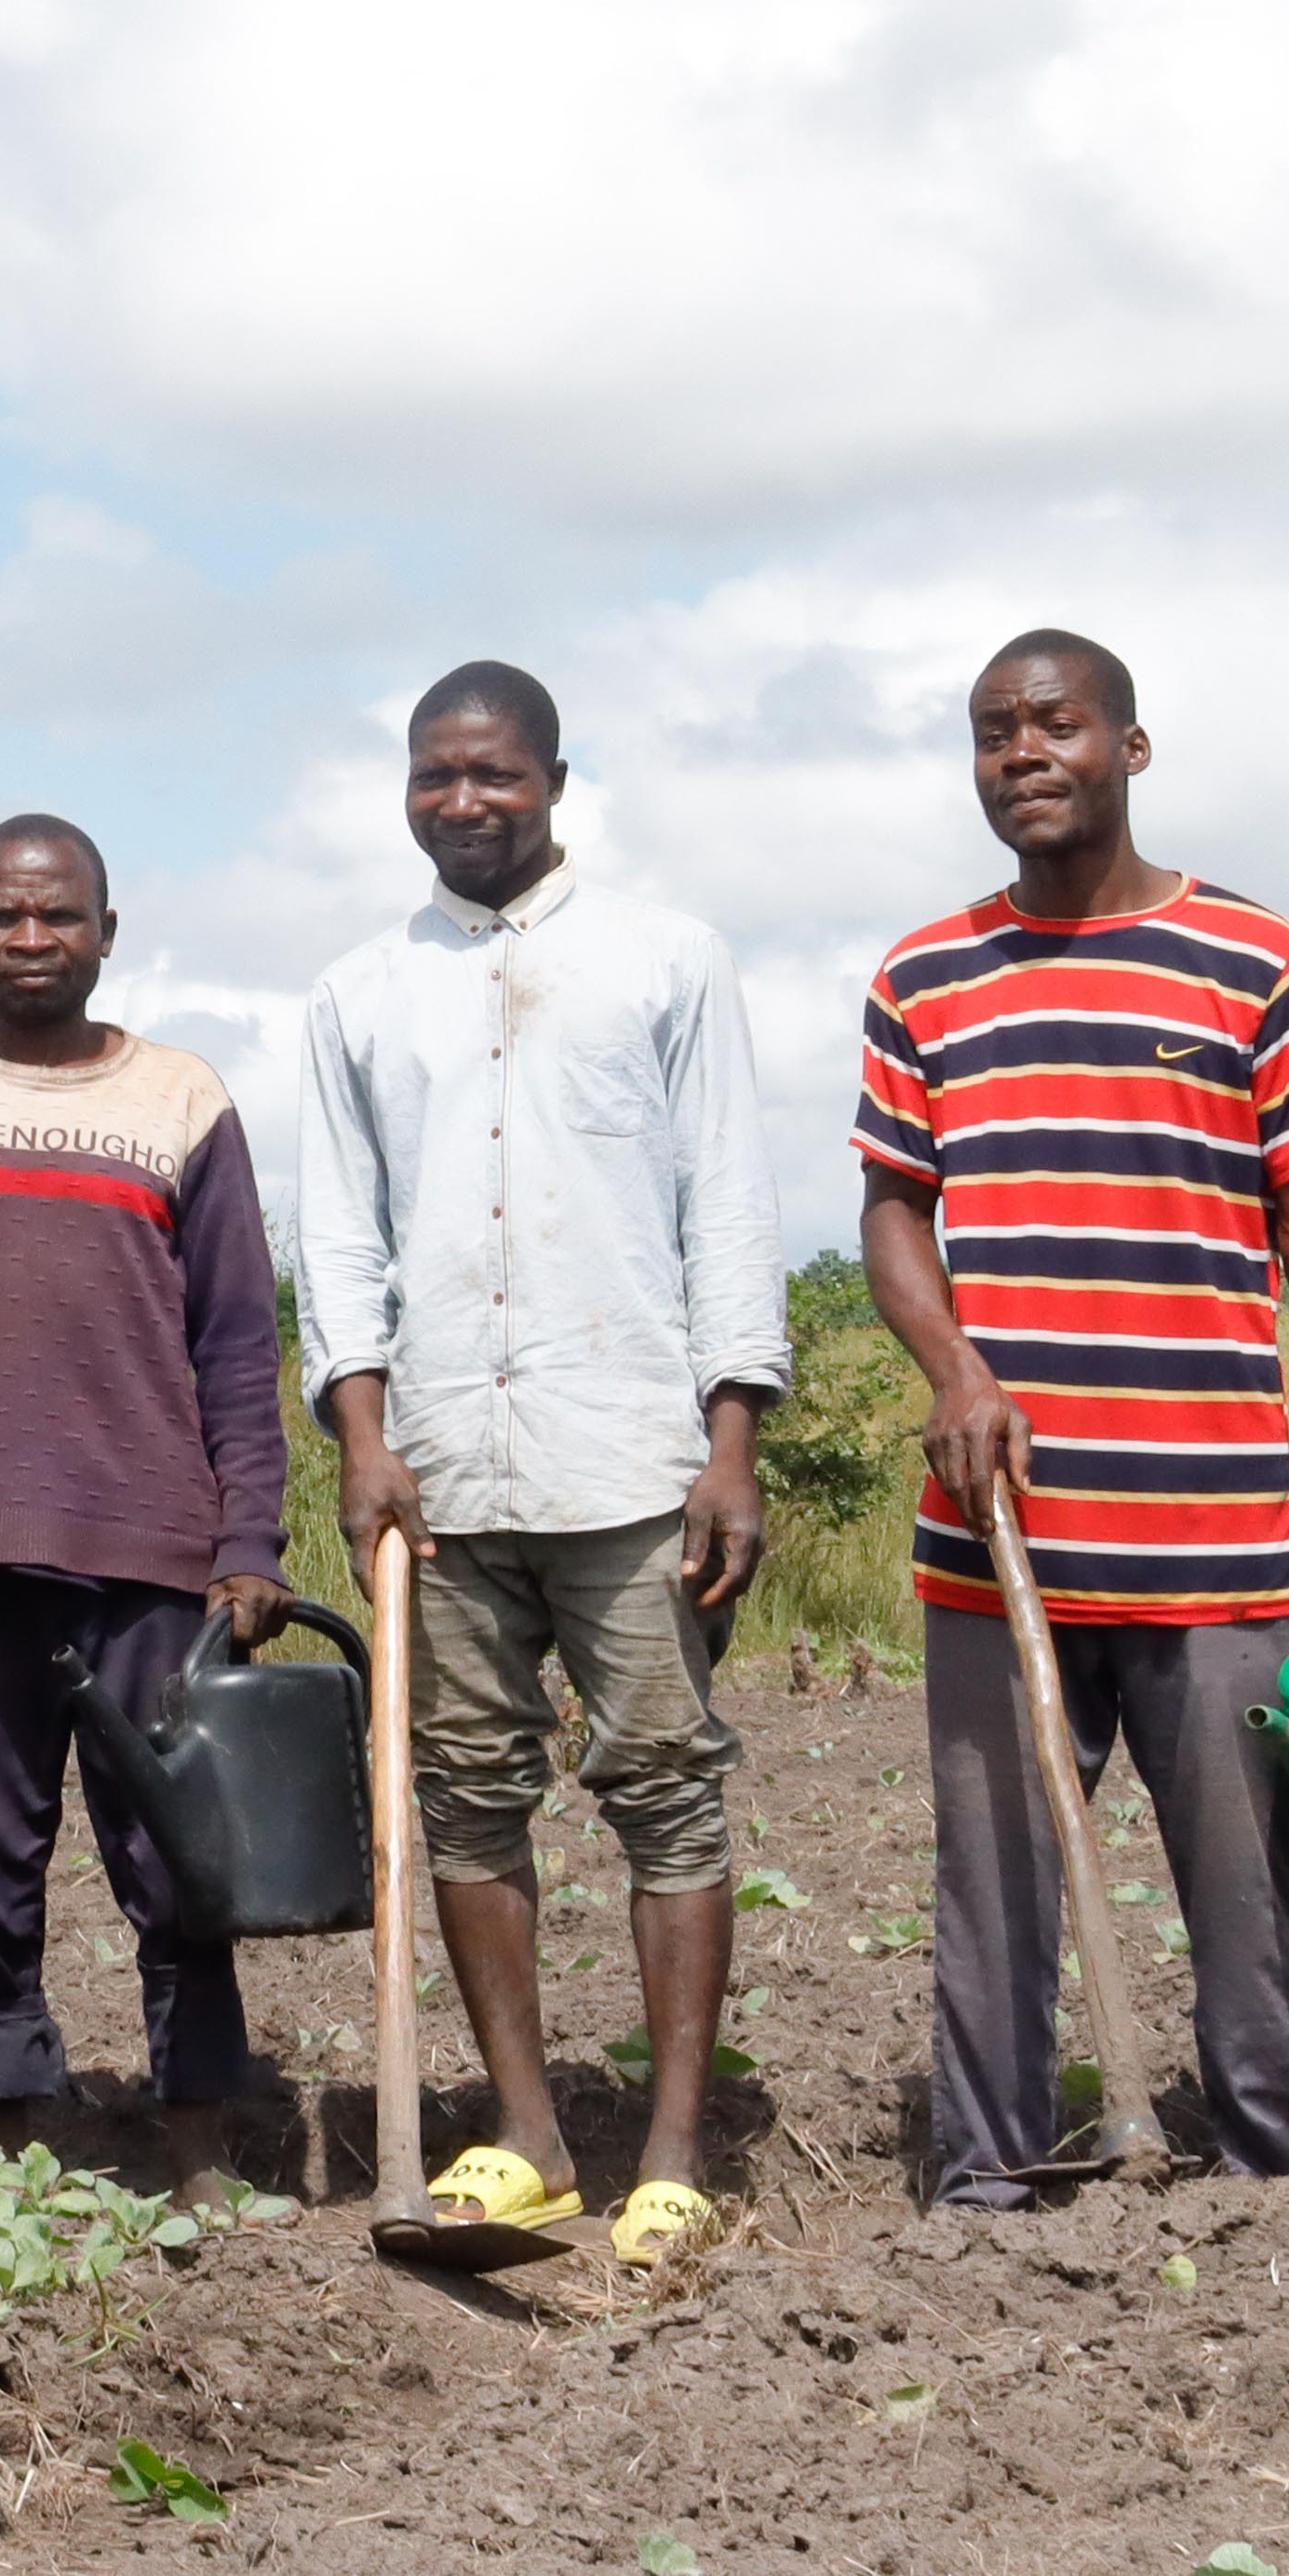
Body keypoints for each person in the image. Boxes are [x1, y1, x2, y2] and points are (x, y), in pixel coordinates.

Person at [856, 628, 1289, 2205]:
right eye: (992, 736)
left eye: (1057, 727)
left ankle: (1276, 2177)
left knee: (1246, 1891)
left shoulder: (1251, 957)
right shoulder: (925, 976)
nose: (1024, 756)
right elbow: (895, 1216)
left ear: (1131, 749)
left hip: (1211, 1532)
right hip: (999, 1535)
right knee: (997, 1892)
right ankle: (988, 2189)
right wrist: (958, 1372)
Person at [295, 665, 789, 2265]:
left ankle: (671, 2150)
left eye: (492, 774)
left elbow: (727, 1202)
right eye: (435, 776)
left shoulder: (667, 960)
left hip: (632, 1456)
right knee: (466, 1799)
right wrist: (363, 1439)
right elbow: (340, 1236)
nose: (463, 802)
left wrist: (732, 1440)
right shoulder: (359, 994)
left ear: (556, 781)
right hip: (440, 1474)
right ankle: (526, 2133)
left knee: (666, 1794)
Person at [0, 815, 288, 2206]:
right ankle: (6, 2125)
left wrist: (251, 1537)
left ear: (107, 932)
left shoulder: (183, 1101)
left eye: (56, 917)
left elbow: (236, 1336)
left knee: (179, 1866)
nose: (28, 940)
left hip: (156, 1553)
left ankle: (197, 2132)